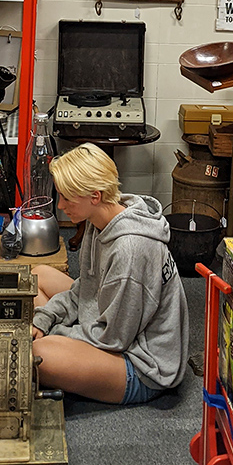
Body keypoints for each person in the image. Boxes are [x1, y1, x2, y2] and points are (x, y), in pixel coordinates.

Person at [30, 143, 189, 405]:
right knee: (37, 277)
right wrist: (43, 319)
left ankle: (61, 350)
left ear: (95, 195)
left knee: (38, 355)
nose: (60, 206)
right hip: (113, 324)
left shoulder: (131, 248)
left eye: (68, 198)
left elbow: (114, 338)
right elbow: (85, 288)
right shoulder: (100, 218)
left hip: (143, 364)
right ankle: (60, 341)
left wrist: (55, 331)